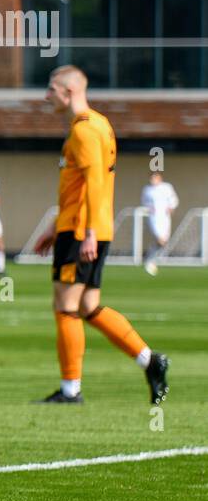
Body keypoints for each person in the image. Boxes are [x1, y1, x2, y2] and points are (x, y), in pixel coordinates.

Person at [32, 65, 169, 405]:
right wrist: (55, 226)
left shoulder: (83, 131)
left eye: (52, 89)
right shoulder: (99, 125)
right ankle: (150, 361)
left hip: (81, 231)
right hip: (86, 226)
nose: (47, 96)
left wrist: (87, 232)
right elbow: (83, 186)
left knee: (65, 307)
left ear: (69, 92)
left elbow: (95, 181)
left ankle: (70, 390)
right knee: (88, 306)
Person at [140, 172, 178, 276]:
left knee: (164, 241)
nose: (153, 180)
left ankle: (149, 258)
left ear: (160, 178)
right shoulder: (147, 190)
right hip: (154, 218)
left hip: (165, 218)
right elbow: (144, 202)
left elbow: (173, 199)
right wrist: (148, 208)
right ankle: (150, 260)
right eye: (151, 178)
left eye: (155, 177)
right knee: (160, 240)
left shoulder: (167, 187)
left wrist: (171, 207)